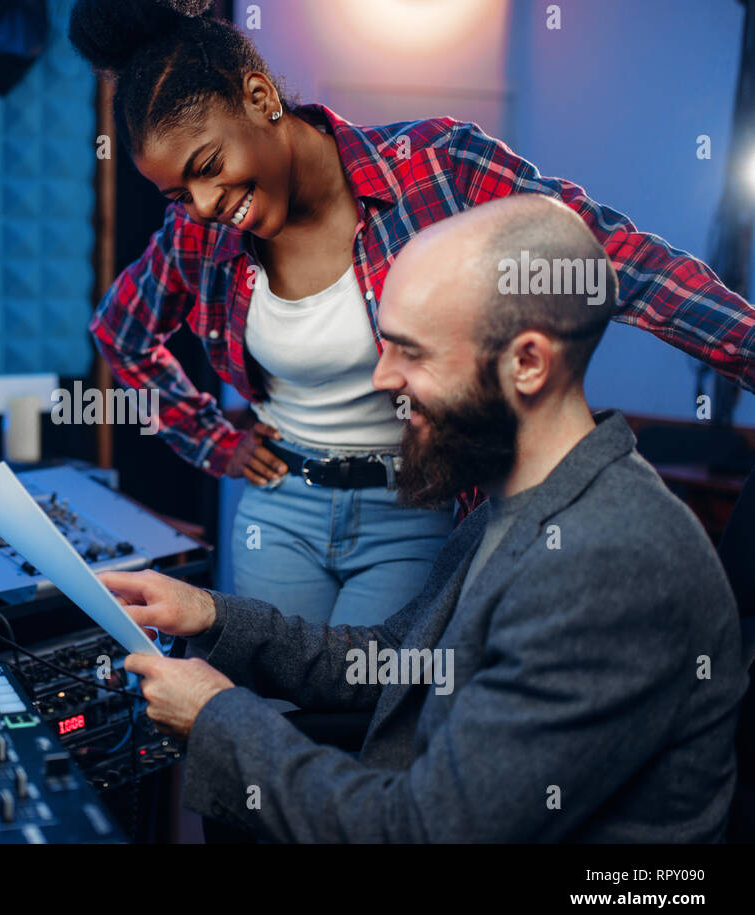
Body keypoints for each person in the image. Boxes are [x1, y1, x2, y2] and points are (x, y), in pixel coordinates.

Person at [70, 0, 755, 628]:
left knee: (378, 715)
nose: (204, 205)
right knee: (276, 711)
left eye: (208, 167)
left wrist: (748, 348)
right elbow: (120, 333)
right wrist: (215, 440)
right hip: (279, 512)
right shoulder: (196, 233)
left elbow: (609, 257)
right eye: (177, 195)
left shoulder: (438, 166)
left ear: (258, 97)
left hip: (414, 506)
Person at [99, 195, 748, 842]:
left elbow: (429, 831)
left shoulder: (609, 563)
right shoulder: (516, 498)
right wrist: (210, 615)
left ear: (526, 363)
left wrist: (213, 715)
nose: (383, 377)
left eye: (411, 352)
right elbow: (392, 661)